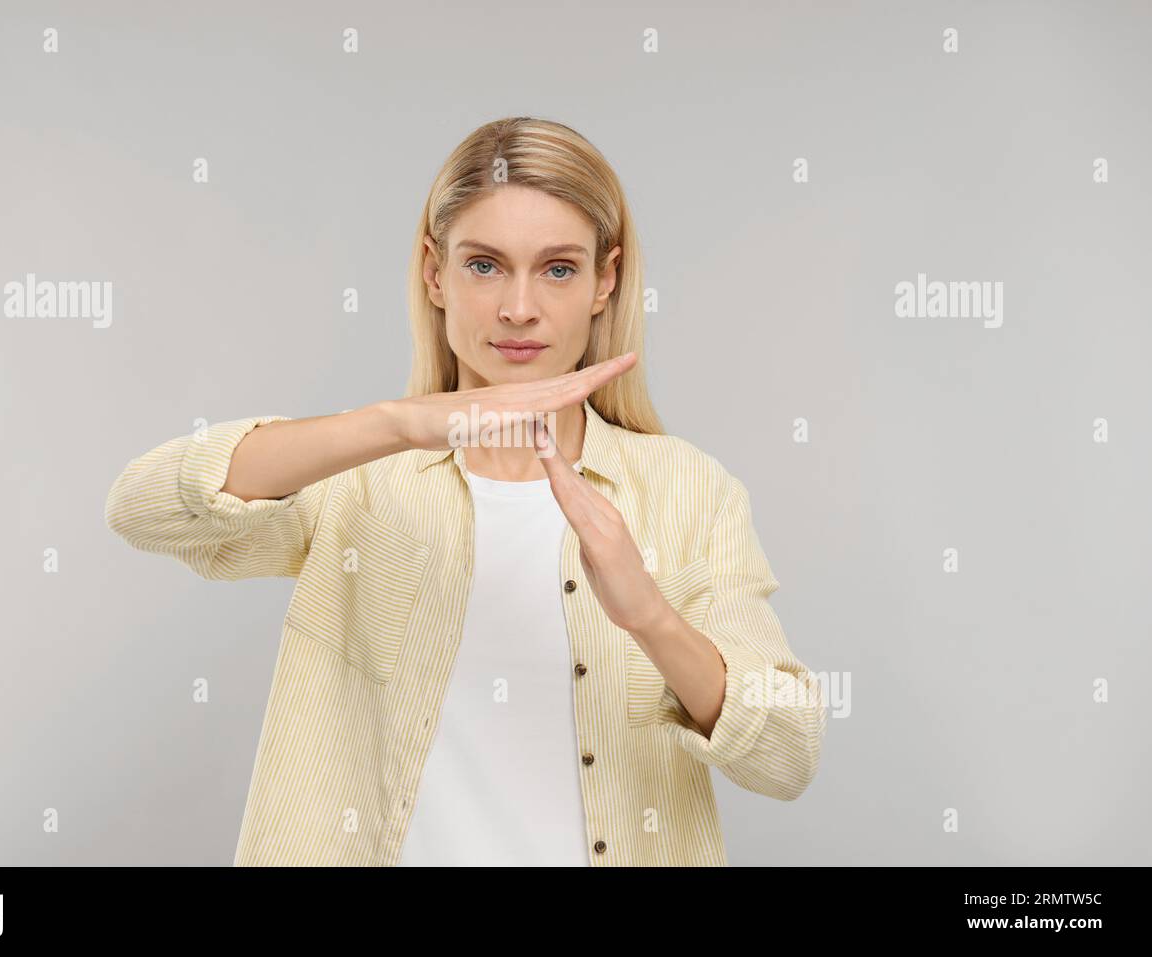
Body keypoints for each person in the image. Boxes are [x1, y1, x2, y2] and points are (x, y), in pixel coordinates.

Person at [105, 116, 825, 866]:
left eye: (557, 269)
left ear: (605, 280)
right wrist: (394, 422)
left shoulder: (691, 490)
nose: (518, 308)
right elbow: (143, 506)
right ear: (434, 272)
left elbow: (787, 754)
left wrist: (648, 615)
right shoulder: (358, 482)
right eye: (484, 266)